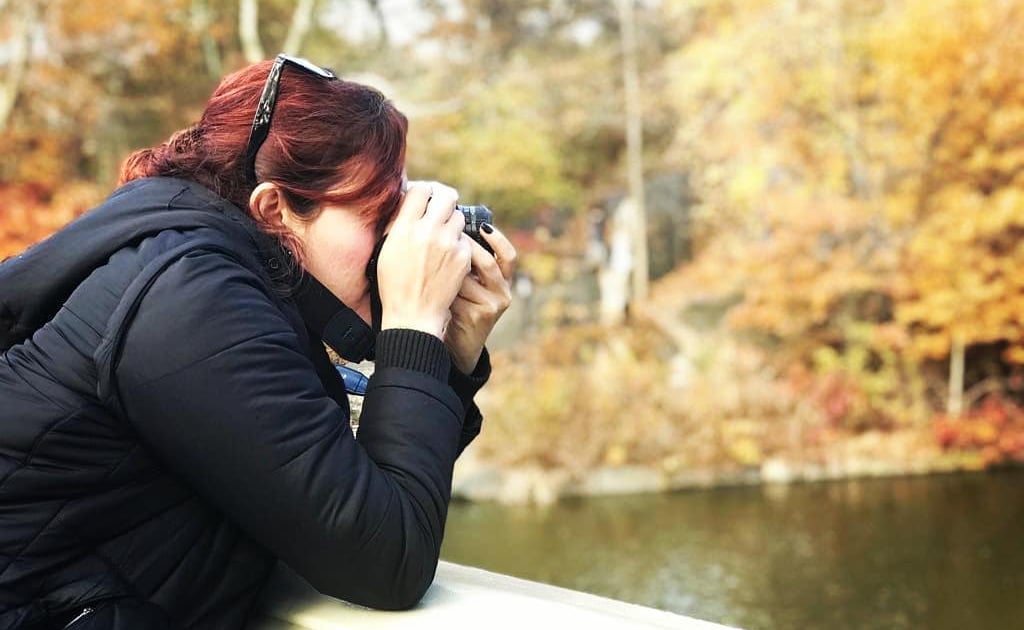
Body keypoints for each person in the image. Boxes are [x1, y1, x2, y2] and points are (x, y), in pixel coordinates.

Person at [0, 54, 515, 629]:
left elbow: (360, 492)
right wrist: (414, 321)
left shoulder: (221, 277)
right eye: (378, 212)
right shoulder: (190, 298)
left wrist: (444, 359)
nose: (398, 240)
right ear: (275, 209)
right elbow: (385, 558)